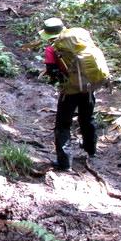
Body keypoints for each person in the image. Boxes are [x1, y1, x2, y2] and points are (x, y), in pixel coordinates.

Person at [39, 17, 99, 171]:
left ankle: (64, 162)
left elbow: (52, 71)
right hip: (88, 86)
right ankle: (91, 151)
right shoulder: (80, 41)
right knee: (87, 119)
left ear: (47, 34)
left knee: (63, 125)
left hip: (70, 90)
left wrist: (60, 80)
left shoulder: (51, 49)